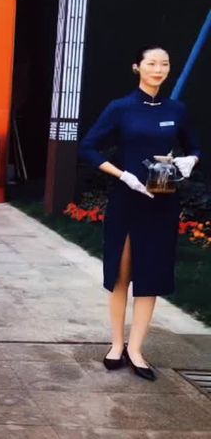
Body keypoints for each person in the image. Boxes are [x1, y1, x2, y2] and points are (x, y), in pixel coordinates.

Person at [79, 45, 201, 381]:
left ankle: (136, 349)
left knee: (151, 276)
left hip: (162, 201)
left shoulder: (177, 110)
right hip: (127, 198)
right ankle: (116, 344)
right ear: (138, 67)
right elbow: (88, 147)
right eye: (152, 63)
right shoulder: (121, 108)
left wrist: (190, 160)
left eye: (165, 64)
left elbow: (195, 146)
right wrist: (122, 175)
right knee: (121, 273)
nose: (158, 70)